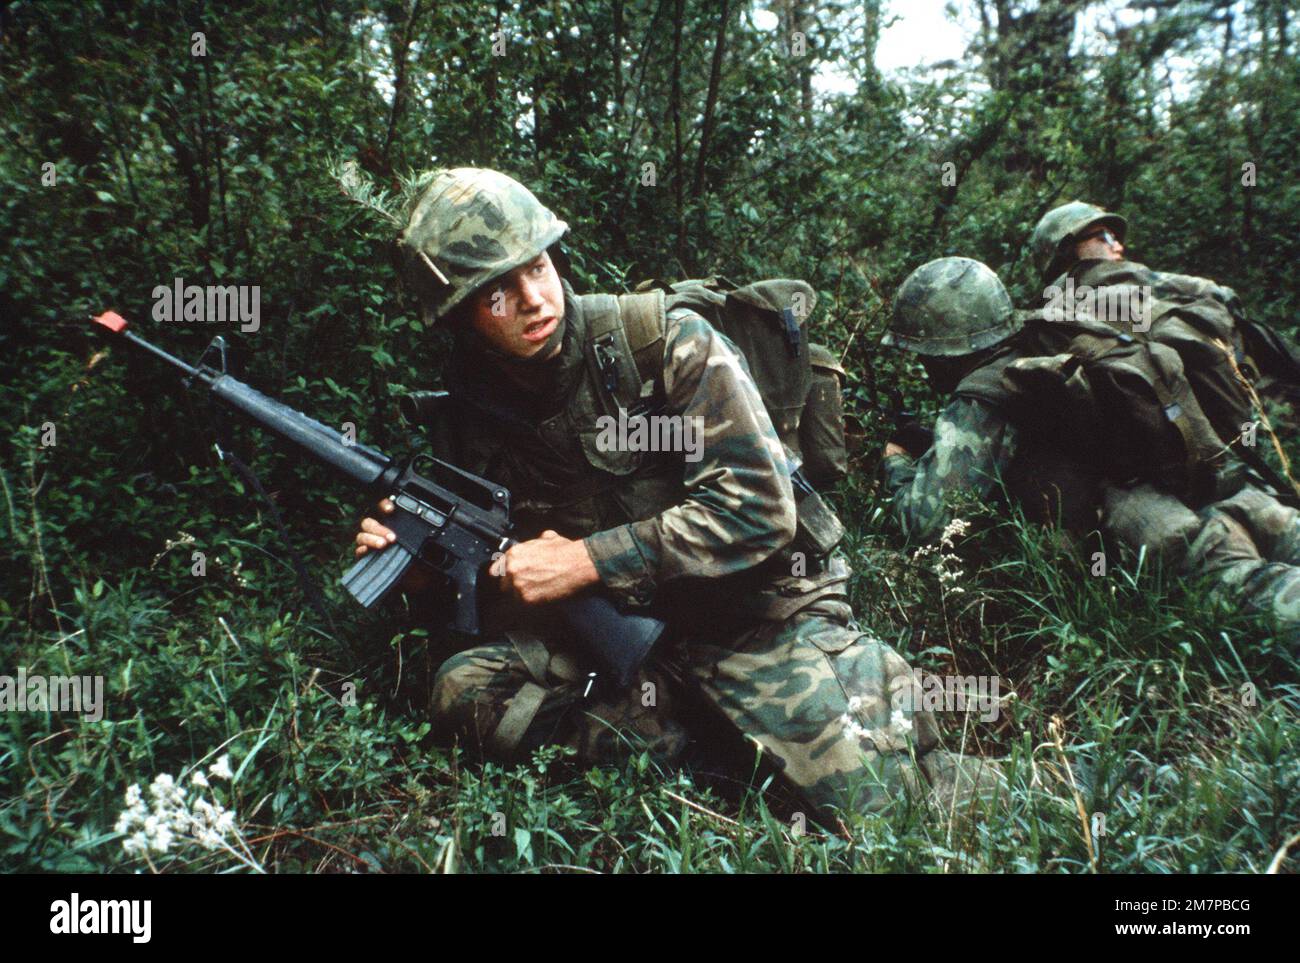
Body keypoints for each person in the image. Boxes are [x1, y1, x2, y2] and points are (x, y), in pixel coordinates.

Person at [352, 168, 1001, 823]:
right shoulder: (472, 411)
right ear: (457, 313)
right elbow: (507, 578)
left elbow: (756, 512)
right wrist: (426, 573)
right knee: (464, 691)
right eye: (497, 289)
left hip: (758, 618)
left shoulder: (664, 344)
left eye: (539, 267)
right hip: (624, 643)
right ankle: (710, 753)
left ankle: (851, 691)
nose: (532, 296)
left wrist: (586, 560)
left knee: (885, 819)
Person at [881, 256, 1300, 640]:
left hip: (1164, 532)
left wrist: (896, 465)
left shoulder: (984, 394)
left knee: (1265, 599)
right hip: (1224, 489)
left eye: (922, 355)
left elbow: (927, 525)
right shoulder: (1054, 332)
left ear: (942, 352)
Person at [1029, 201, 1300, 396]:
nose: (1118, 246)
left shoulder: (1049, 314)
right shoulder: (1107, 283)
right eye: (1104, 237)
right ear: (1067, 248)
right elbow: (1220, 293)